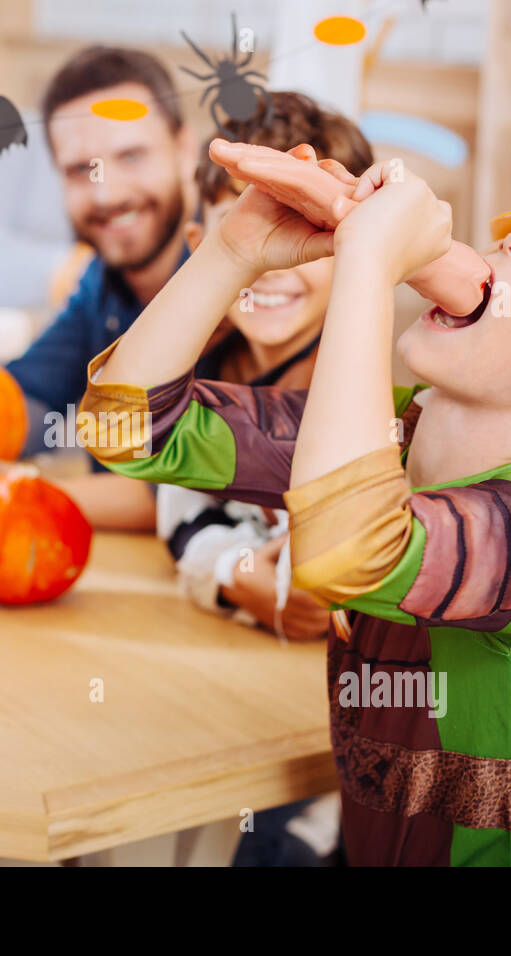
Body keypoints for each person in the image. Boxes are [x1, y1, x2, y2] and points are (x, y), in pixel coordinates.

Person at [78, 139, 511, 865]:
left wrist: (366, 266)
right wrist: (233, 251)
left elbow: (345, 551)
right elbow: (127, 428)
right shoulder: (393, 430)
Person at [0, 46, 201, 530]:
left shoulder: (240, 287)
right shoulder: (100, 284)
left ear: (185, 150)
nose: (106, 194)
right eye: (79, 170)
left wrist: (15, 491)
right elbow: (20, 402)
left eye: (131, 156)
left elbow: (185, 485)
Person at [161, 91, 372, 644]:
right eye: (246, 226)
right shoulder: (195, 375)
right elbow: (179, 513)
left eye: (306, 227)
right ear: (198, 246)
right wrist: (235, 571)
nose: (273, 264)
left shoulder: (381, 383)